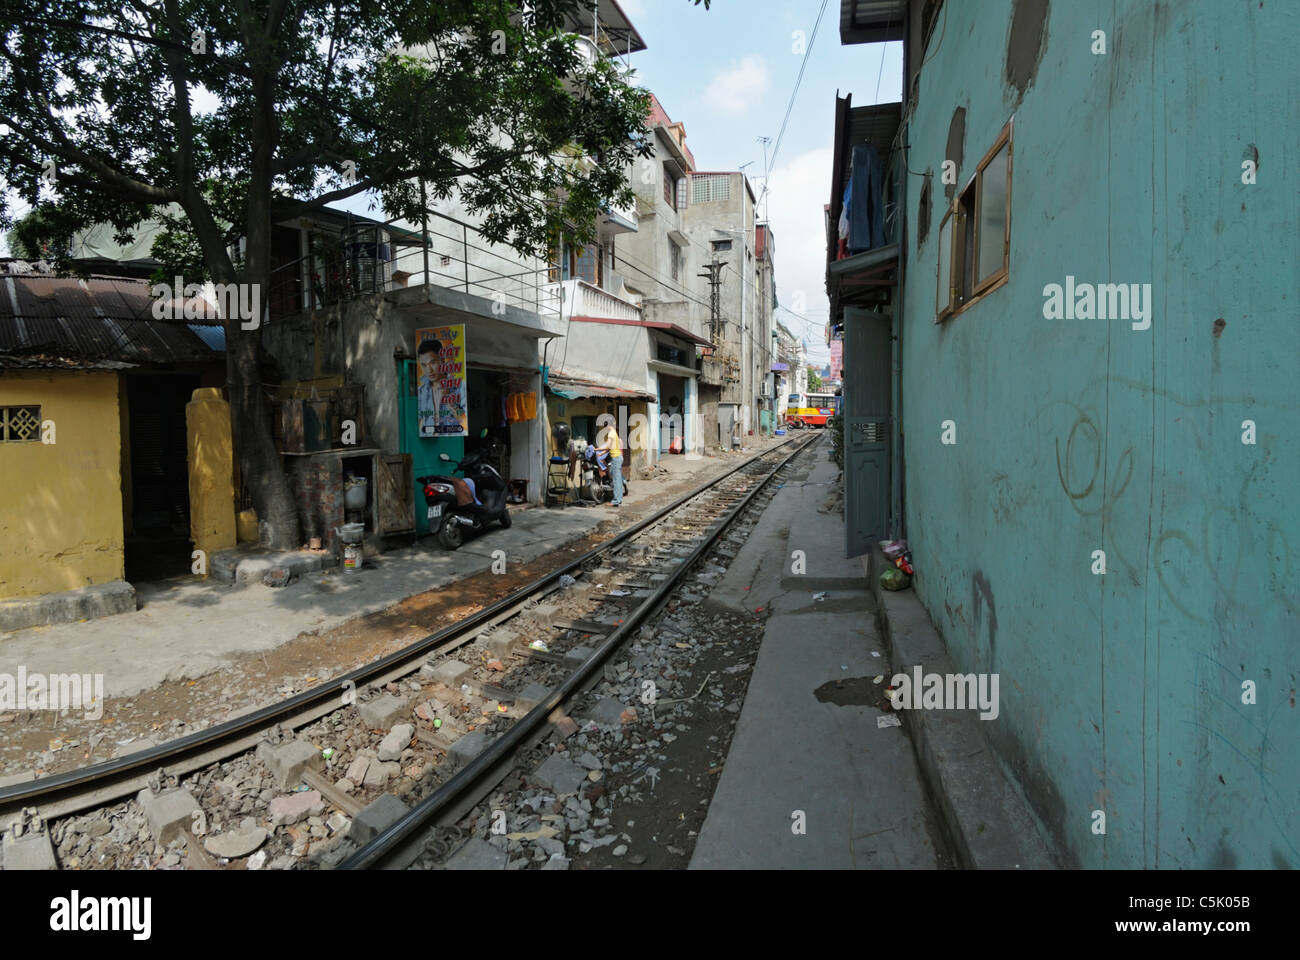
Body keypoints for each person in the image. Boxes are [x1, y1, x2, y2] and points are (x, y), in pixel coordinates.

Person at [416, 338, 443, 437]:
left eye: (433, 363)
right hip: (427, 439)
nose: (429, 370)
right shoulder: (421, 391)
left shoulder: (458, 387)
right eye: (424, 365)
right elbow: (417, 421)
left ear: (442, 360)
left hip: (448, 439)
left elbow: (463, 420)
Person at [595, 416, 623, 507]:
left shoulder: (611, 433)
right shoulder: (614, 432)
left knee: (616, 480)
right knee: (617, 479)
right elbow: (609, 448)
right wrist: (601, 453)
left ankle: (616, 501)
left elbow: (607, 445)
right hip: (617, 457)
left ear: (607, 425)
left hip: (616, 458)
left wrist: (598, 449)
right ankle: (618, 499)